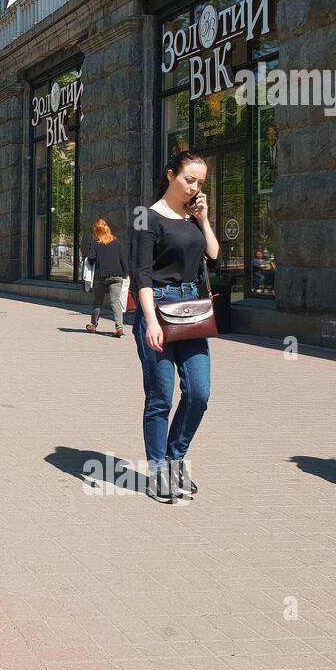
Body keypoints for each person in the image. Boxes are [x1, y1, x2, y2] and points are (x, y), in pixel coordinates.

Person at [131, 150, 221, 504]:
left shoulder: (192, 216)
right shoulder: (147, 218)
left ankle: (176, 459)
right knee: (160, 397)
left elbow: (213, 255)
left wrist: (204, 219)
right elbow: (141, 272)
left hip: (192, 309)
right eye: (189, 179)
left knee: (199, 392)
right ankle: (158, 472)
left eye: (200, 182)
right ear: (170, 175)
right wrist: (150, 321)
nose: (194, 187)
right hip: (158, 308)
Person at [83, 218, 131, 338]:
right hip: (116, 276)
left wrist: (90, 249)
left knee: (98, 301)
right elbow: (123, 259)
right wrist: (126, 273)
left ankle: (93, 325)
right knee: (115, 302)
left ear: (95, 231)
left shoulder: (95, 243)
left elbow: (91, 259)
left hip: (100, 277)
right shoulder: (116, 241)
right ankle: (119, 327)